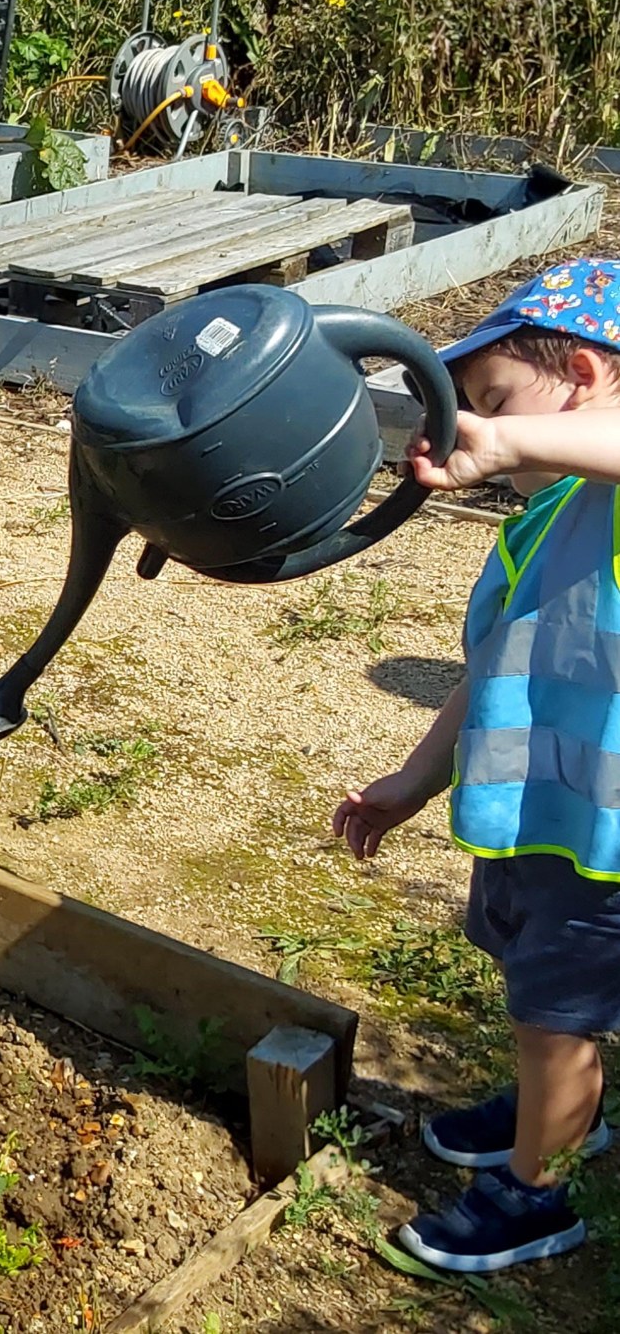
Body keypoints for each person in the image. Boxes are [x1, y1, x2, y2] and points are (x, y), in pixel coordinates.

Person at [334, 256, 620, 1273]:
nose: (476, 428)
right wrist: (416, 777)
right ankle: (556, 1107)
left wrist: (504, 441)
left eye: (491, 400)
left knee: (560, 1009)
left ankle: (543, 1192)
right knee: (532, 981)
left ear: (583, 377)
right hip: (542, 817)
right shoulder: (555, 512)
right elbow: (496, 661)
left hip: (605, 837)